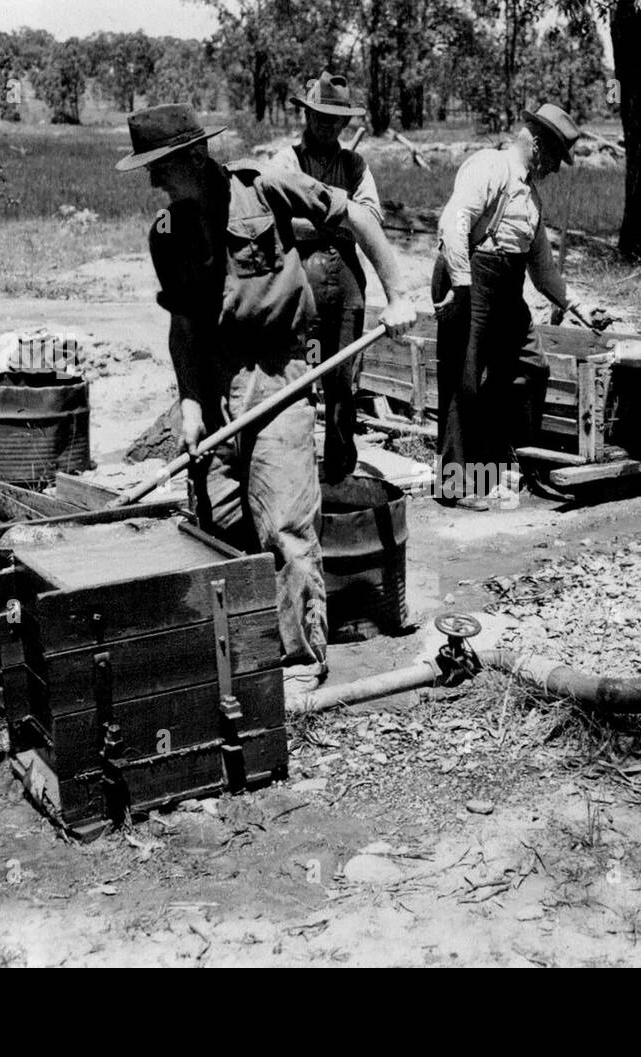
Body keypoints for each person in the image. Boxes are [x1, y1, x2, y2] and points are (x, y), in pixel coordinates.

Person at [117, 104, 415, 697]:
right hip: (214, 384)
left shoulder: (265, 186)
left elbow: (355, 217)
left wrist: (398, 293)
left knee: (283, 525)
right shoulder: (166, 233)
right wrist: (191, 404)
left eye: (160, 167)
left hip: (279, 374)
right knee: (219, 524)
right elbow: (182, 327)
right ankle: (241, 652)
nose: (153, 181)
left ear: (194, 157)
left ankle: (302, 660)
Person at [433, 102, 602, 510]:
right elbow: (454, 222)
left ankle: (505, 464)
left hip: (506, 287)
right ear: (539, 146)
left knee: (530, 367)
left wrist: (581, 309)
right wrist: (460, 284)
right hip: (469, 276)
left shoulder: (532, 199)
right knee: (464, 379)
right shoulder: (490, 166)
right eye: (557, 159)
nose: (558, 170)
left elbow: (543, 271)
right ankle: (455, 486)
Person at [271, 72, 379, 483]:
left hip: (348, 285)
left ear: (345, 123)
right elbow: (280, 223)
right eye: (320, 116)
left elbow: (368, 219)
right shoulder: (286, 161)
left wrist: (318, 218)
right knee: (303, 372)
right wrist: (337, 219)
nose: (327, 125)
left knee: (342, 380)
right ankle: (296, 469)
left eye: (336, 119)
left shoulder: (354, 164)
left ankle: (339, 471)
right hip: (303, 287)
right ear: (307, 114)